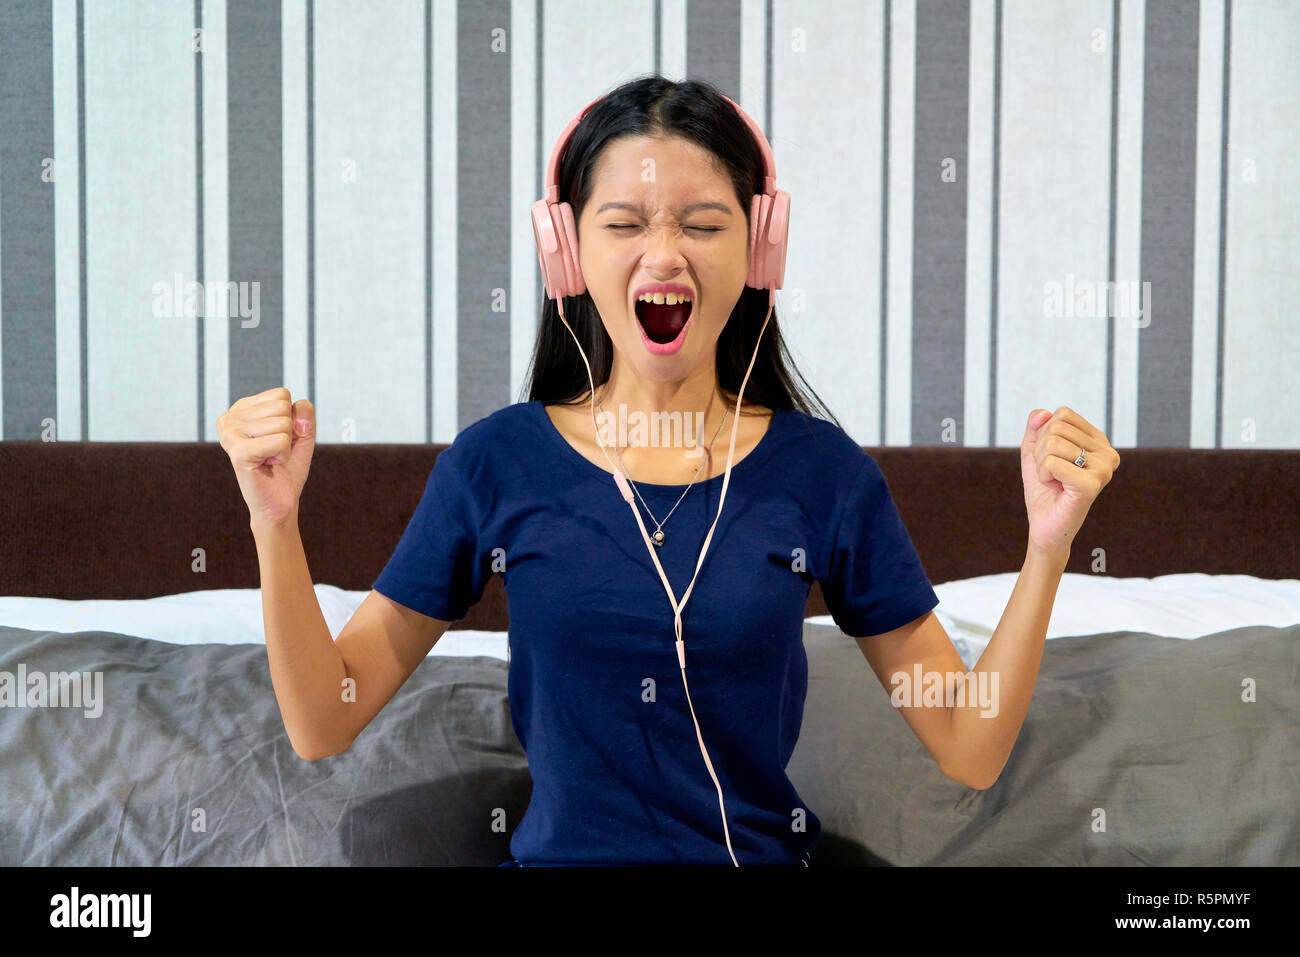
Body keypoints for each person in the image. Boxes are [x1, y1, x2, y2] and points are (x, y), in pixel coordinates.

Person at [217, 75, 948, 868]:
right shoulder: (497, 463)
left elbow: (967, 742)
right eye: (625, 223)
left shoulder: (824, 474)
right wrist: (274, 519)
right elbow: (324, 720)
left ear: (760, 246)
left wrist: (1049, 547)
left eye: (703, 224)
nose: (663, 254)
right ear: (565, 251)